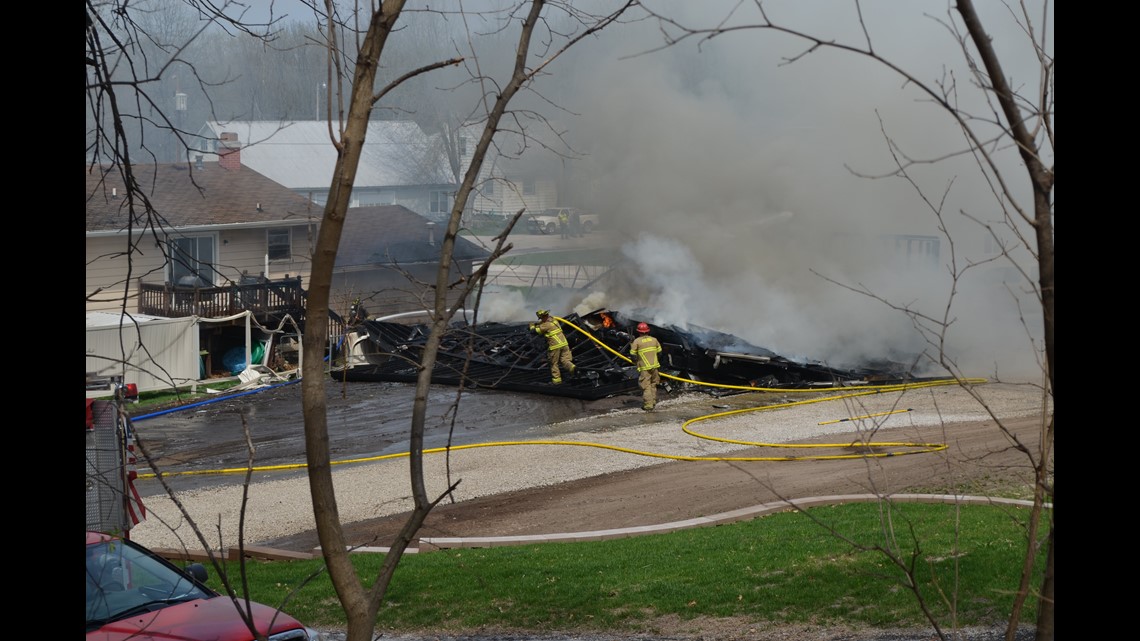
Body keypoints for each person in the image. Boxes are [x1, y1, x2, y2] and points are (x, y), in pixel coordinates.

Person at [529, 309, 576, 384]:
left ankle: (557, 381)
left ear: (543, 316)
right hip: (564, 344)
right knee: (565, 361)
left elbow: (535, 331)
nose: (541, 319)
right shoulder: (554, 320)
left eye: (541, 318)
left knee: (554, 364)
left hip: (555, 346)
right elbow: (544, 324)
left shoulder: (546, 325)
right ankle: (574, 370)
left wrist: (531, 326)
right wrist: (539, 323)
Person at [628, 322, 662, 411]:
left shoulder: (637, 341)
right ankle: (653, 401)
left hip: (644, 368)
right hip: (655, 366)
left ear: (639, 332)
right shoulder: (654, 340)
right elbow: (660, 352)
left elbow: (633, 355)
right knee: (653, 384)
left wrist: (635, 362)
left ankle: (648, 405)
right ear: (648, 331)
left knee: (646, 386)